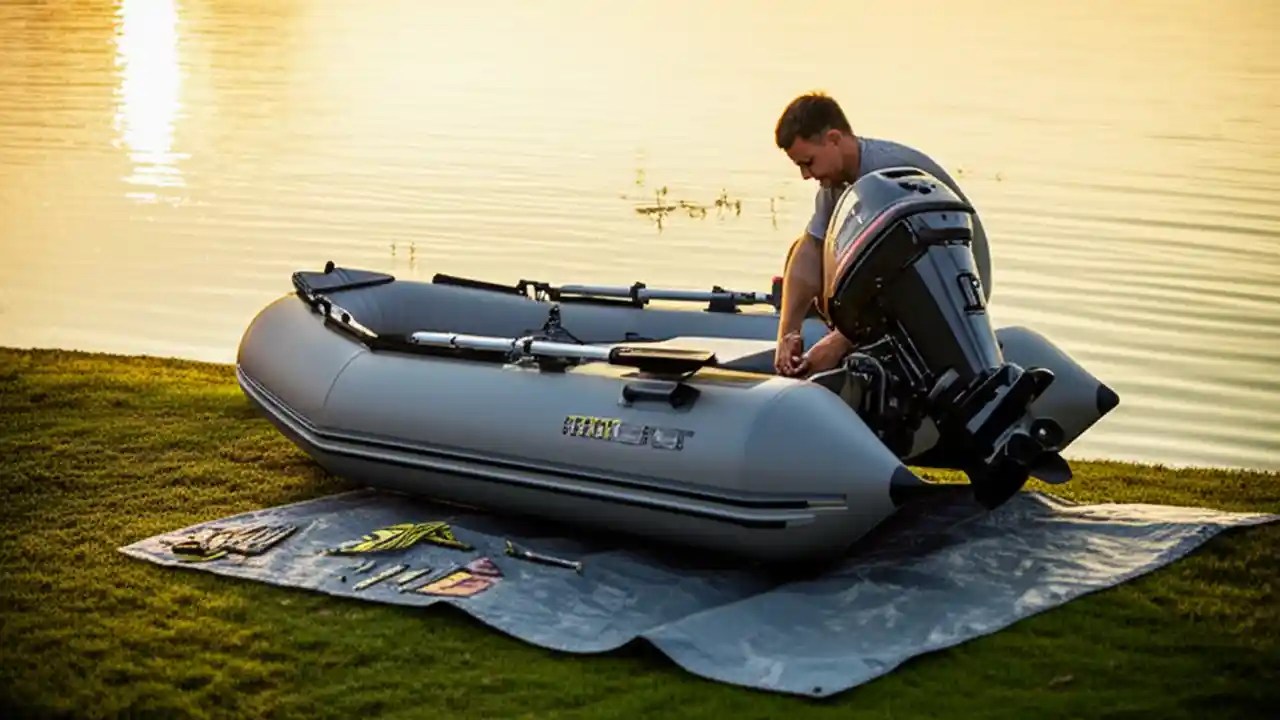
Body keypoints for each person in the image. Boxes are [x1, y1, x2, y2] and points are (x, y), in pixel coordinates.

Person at [771, 92, 993, 377]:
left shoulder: (889, 177)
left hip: (954, 297)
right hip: (900, 280)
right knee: (799, 249)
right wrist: (787, 334)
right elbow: (811, 249)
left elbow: (899, 280)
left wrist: (839, 342)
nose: (805, 174)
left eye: (808, 162)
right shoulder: (834, 184)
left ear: (834, 139)